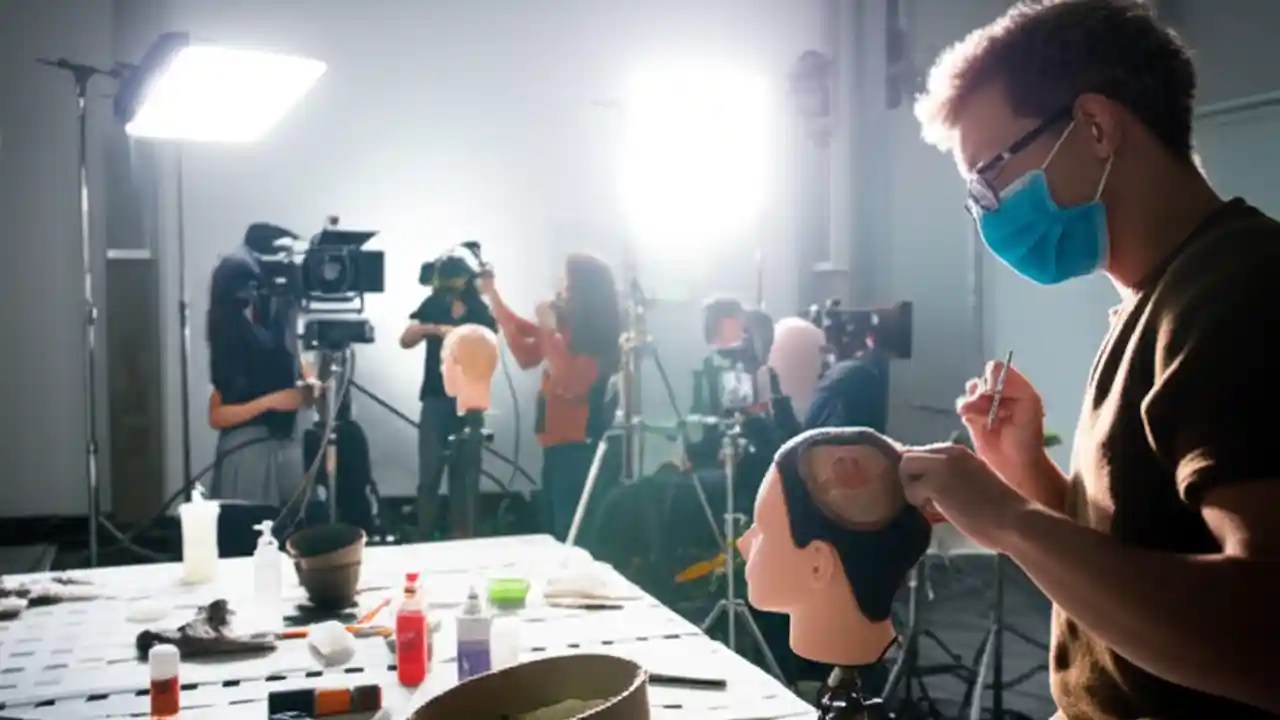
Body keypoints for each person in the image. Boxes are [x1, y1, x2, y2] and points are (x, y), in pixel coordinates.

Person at [904, 1, 1280, 717]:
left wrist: (1011, 521)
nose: (986, 211)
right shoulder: (1153, 301)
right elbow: (1142, 549)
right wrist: (1031, 479)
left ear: (1097, 127)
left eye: (990, 175)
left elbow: (1266, 632)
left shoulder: (1243, 290)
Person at [480, 254, 621, 541]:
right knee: (556, 527)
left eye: (568, 287)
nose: (561, 292)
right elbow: (524, 348)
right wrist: (492, 296)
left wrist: (548, 329)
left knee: (572, 530)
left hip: (578, 447)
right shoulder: (565, 331)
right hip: (555, 444)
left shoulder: (597, 342)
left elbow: (567, 382)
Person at [205, 246, 310, 506]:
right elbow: (218, 414)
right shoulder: (231, 334)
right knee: (249, 533)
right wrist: (273, 401)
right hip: (248, 450)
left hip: (279, 445)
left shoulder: (264, 333)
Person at [401, 267, 496, 539]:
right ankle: (424, 535)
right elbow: (406, 339)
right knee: (429, 475)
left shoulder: (479, 310)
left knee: (465, 480)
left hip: (469, 402)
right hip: (435, 398)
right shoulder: (434, 305)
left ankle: (462, 538)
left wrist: (455, 334)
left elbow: (487, 343)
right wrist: (433, 329)